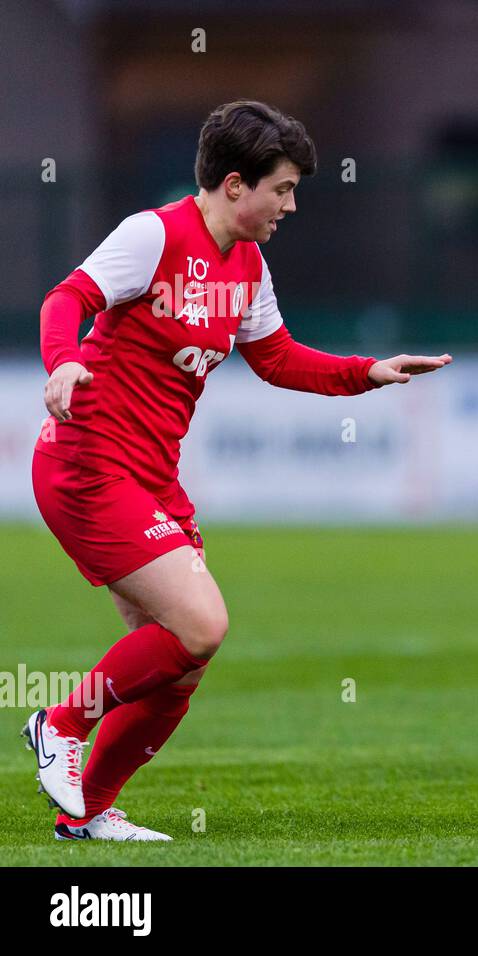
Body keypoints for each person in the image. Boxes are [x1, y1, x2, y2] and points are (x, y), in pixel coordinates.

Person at [24, 100, 452, 841]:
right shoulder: (152, 234)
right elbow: (67, 299)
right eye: (282, 189)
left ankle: (88, 813)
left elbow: (278, 358)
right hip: (88, 459)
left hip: (152, 475)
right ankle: (57, 724)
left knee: (178, 664)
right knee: (200, 624)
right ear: (233, 184)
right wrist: (62, 367)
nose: (290, 205)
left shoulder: (248, 264)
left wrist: (368, 371)